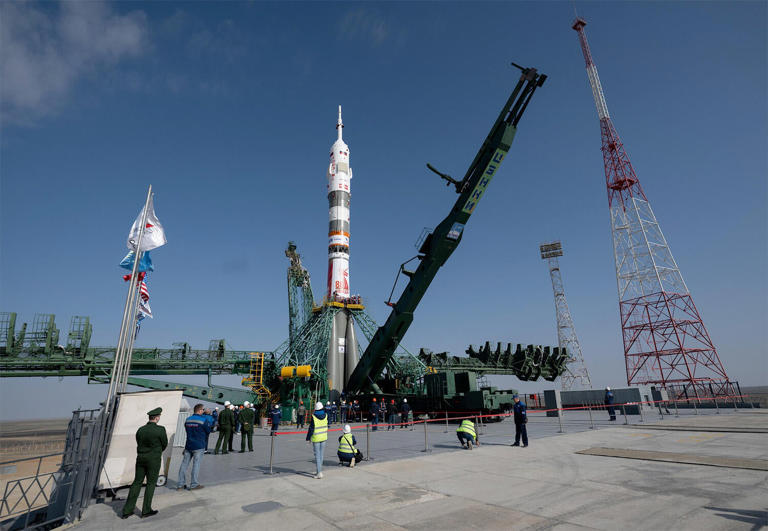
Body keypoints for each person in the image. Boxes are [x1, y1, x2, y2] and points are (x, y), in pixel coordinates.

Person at [121, 407, 167, 519]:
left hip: (141, 458)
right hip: (153, 459)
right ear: (157, 417)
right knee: (151, 483)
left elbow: (139, 442)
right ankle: (146, 510)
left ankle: (127, 510)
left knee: (137, 482)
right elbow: (164, 444)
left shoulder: (140, 429)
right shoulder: (160, 429)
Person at [177, 404, 210, 491]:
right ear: (199, 410)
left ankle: (180, 484)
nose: (203, 411)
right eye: (203, 409)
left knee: (184, 464)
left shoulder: (187, 420)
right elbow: (208, 431)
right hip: (199, 446)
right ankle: (194, 484)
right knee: (196, 465)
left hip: (188, 445)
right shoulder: (203, 420)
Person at [306, 401, 328, 479]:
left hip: (316, 438)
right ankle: (319, 470)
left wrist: (308, 438)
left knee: (317, 456)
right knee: (321, 455)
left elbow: (311, 429)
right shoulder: (326, 415)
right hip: (324, 437)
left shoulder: (314, 417)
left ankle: (319, 473)